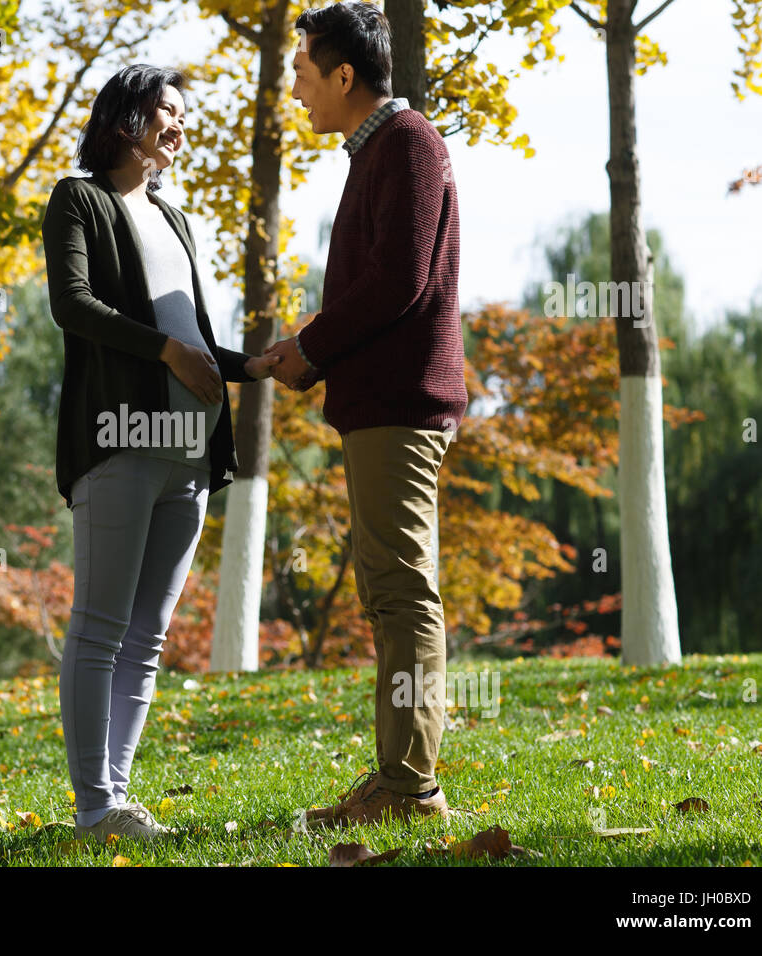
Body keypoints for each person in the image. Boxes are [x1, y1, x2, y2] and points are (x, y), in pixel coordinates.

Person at [41, 64, 281, 841]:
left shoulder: (175, 220)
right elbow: (72, 305)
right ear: (125, 121)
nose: (179, 124)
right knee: (100, 624)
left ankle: (115, 797)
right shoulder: (79, 199)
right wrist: (166, 355)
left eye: (182, 113)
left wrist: (257, 366)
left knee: (148, 636)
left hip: (188, 454)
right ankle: (93, 808)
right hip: (119, 440)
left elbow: (198, 345)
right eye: (166, 112)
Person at [267, 1, 468, 828]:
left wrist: (311, 348)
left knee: (402, 591)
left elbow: (398, 283)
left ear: (345, 75)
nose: (298, 93)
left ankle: (411, 787)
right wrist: (312, 355)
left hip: (400, 405)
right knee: (390, 590)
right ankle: (402, 778)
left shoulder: (408, 143)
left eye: (304, 75)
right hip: (380, 404)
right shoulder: (379, 151)